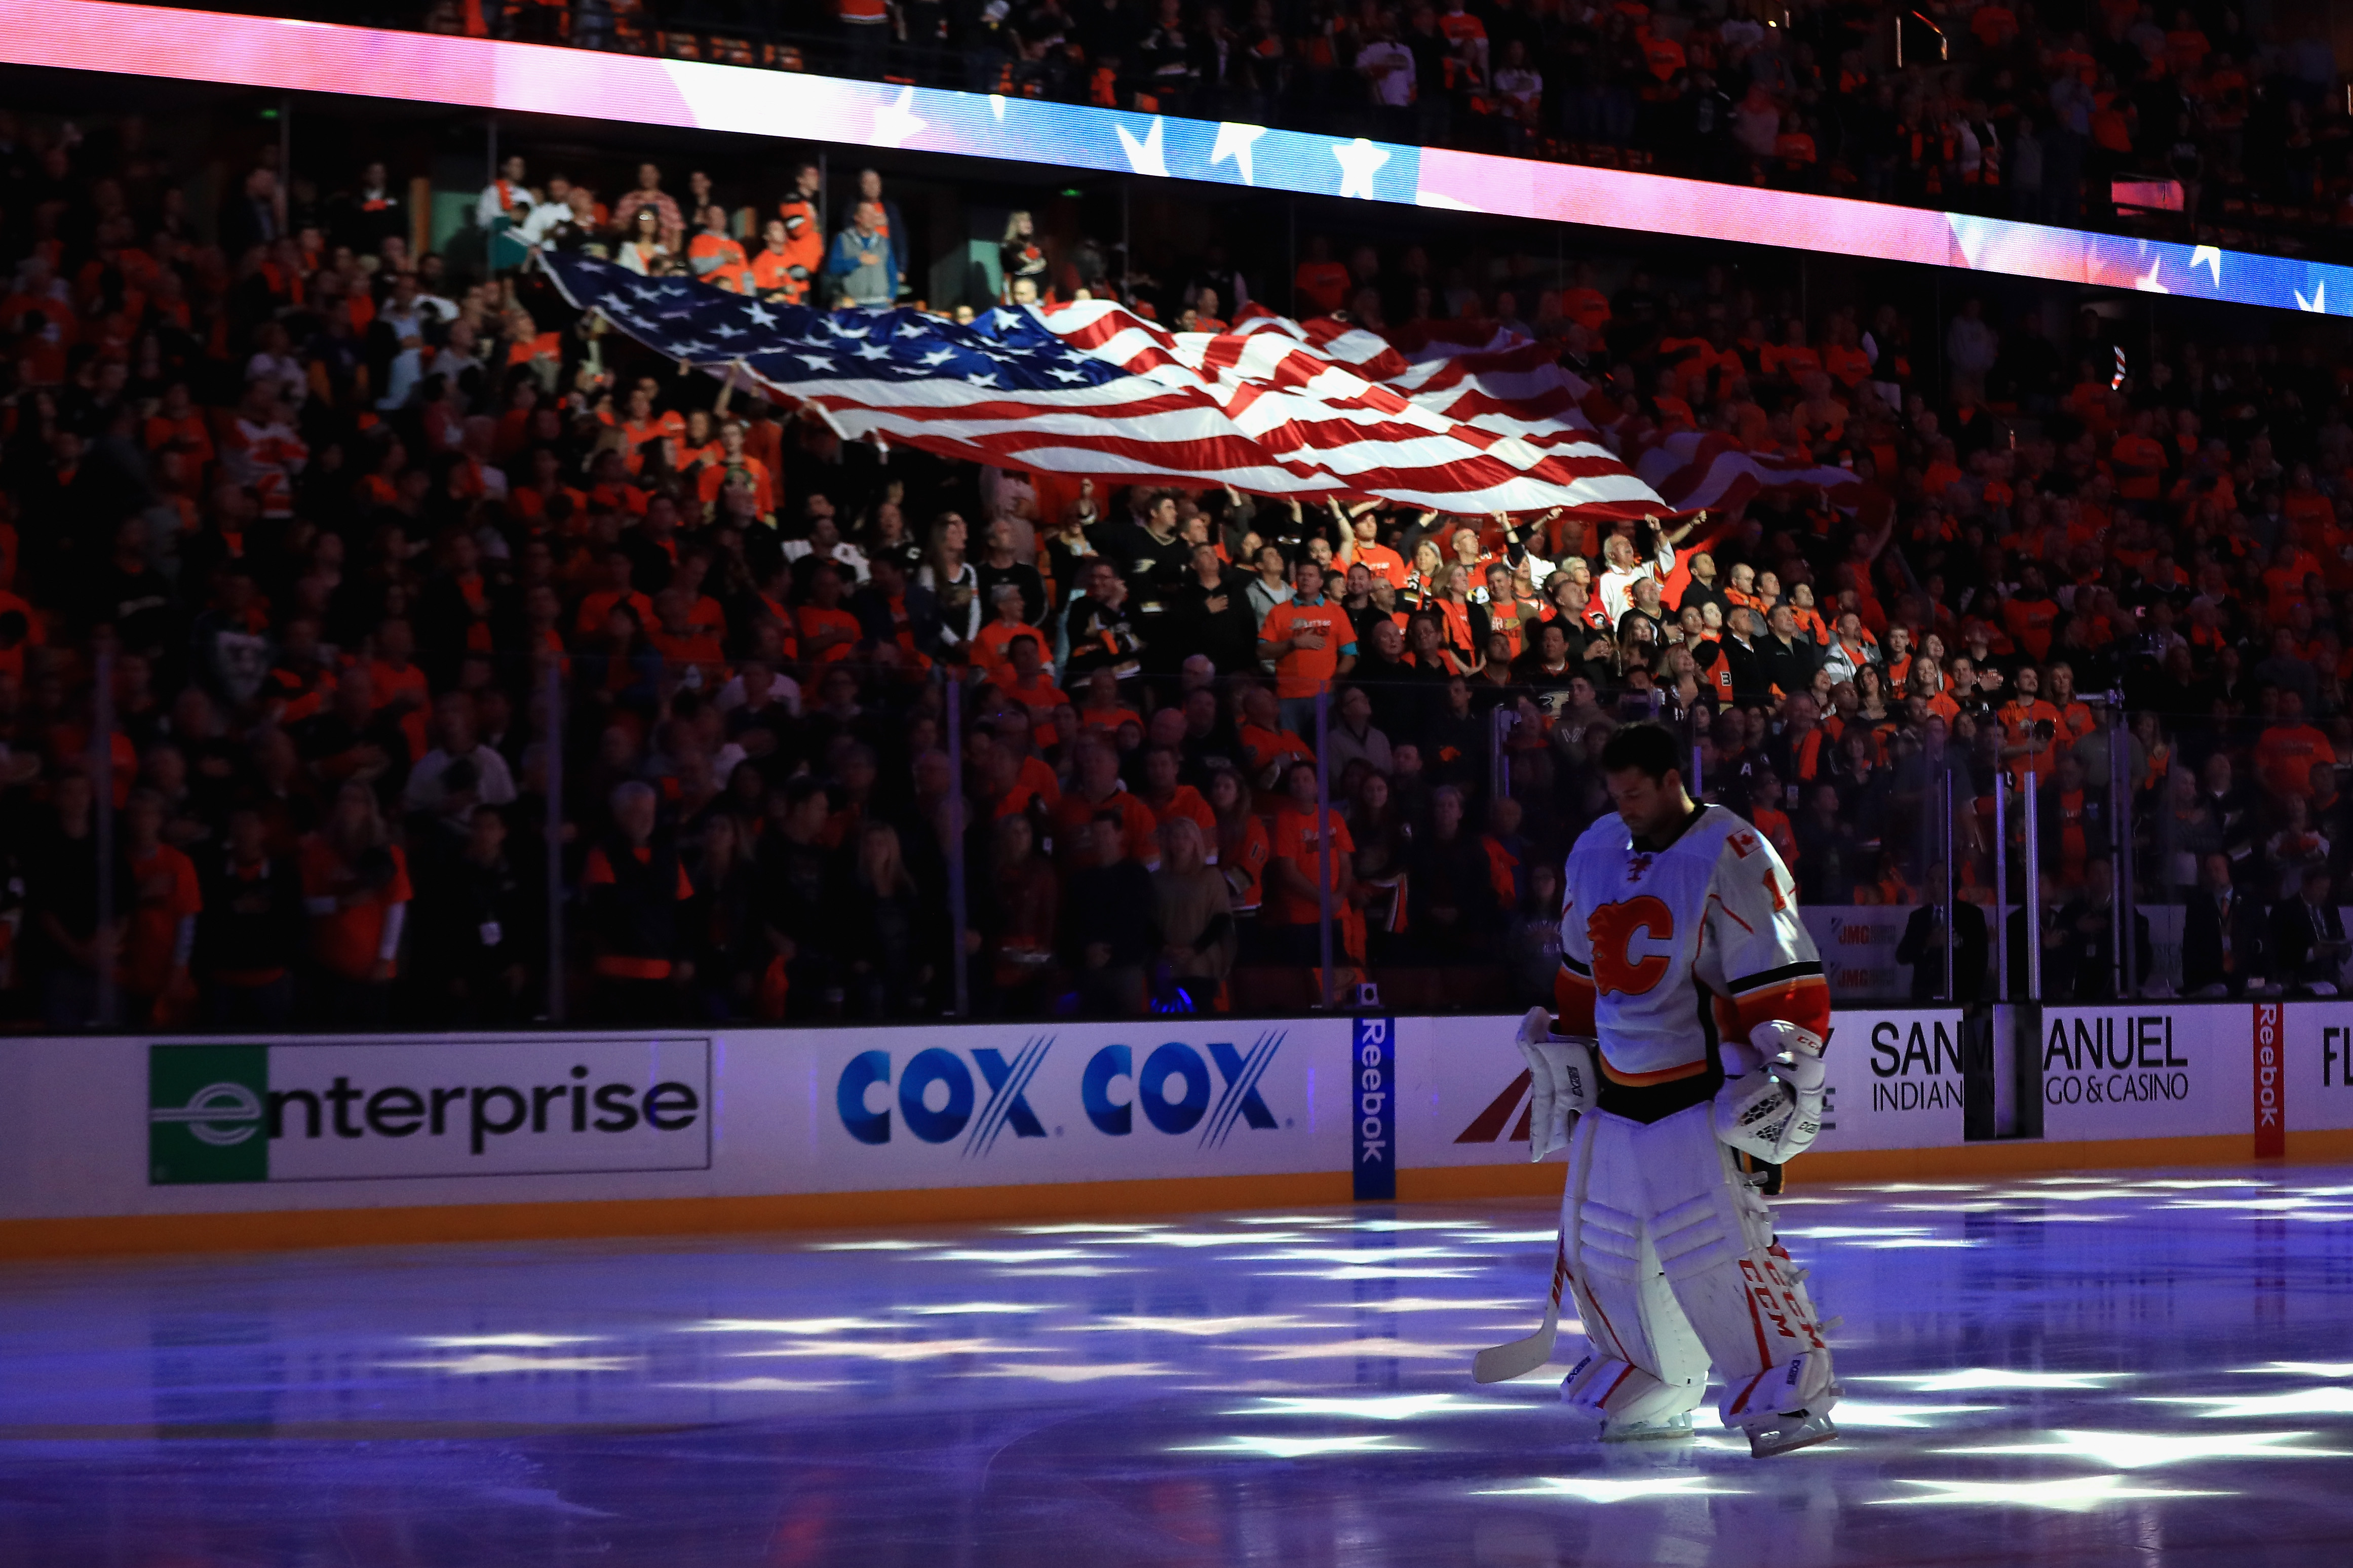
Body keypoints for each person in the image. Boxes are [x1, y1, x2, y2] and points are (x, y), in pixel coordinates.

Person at [1519, 721, 1837, 1457]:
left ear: (1672, 780)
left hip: (1700, 1095)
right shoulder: (1594, 847)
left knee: (1717, 1249)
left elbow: (1782, 975)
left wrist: (1787, 1071)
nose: (1625, 805)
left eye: (1637, 791)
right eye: (1615, 792)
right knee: (1600, 1248)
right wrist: (1570, 1047)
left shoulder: (1731, 851)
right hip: (1617, 1094)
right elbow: (1579, 970)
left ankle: (1788, 1383)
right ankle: (1650, 1376)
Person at [1893, 865, 1988, 1001]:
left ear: (1952, 883)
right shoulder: (1918, 917)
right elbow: (1902, 956)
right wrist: (1927, 944)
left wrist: (1971, 999)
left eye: (1940, 880)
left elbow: (1979, 962)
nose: (1935, 885)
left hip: (1960, 998)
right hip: (1924, 1001)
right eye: (1931, 880)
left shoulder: (1971, 916)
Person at [2271, 865, 2349, 996]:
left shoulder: (2330, 910)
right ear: (2305, 885)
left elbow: (2339, 935)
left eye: (2326, 890)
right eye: (2320, 889)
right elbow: (2279, 953)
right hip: (2300, 983)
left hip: (2331, 982)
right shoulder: (2284, 911)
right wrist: (2313, 953)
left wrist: (2343, 948)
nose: (2323, 894)